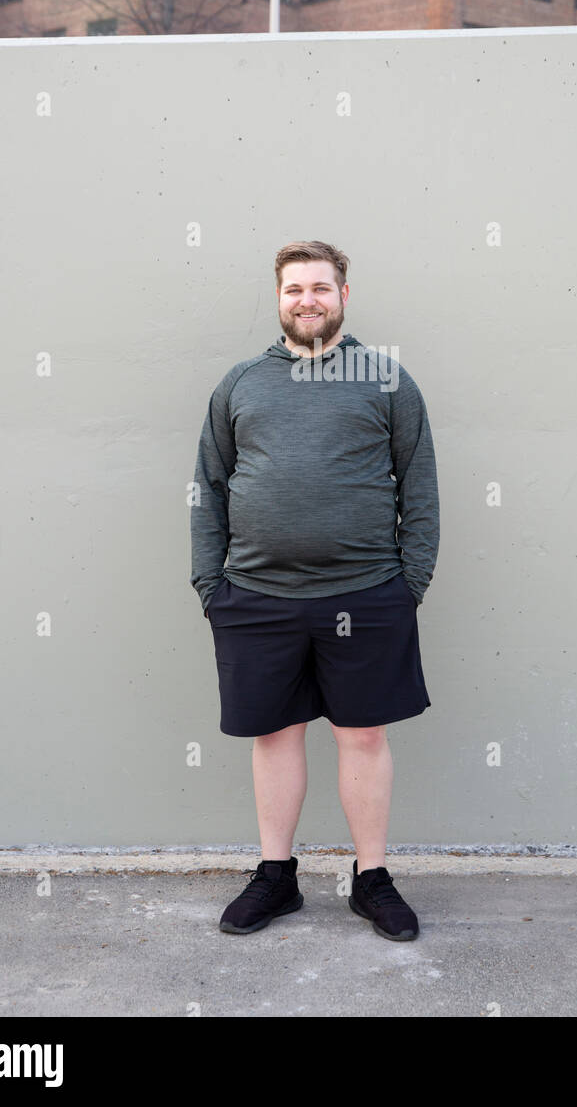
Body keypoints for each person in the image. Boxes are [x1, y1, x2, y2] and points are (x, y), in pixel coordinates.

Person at [190, 239, 439, 941]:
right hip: (254, 597)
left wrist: (408, 584)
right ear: (278, 298)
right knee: (274, 735)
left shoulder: (386, 381)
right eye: (295, 288)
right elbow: (207, 489)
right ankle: (276, 877)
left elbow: (419, 487)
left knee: (362, 735)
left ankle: (372, 879)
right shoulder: (241, 384)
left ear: (343, 296)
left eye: (320, 288)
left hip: (366, 594)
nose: (308, 300)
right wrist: (211, 585)